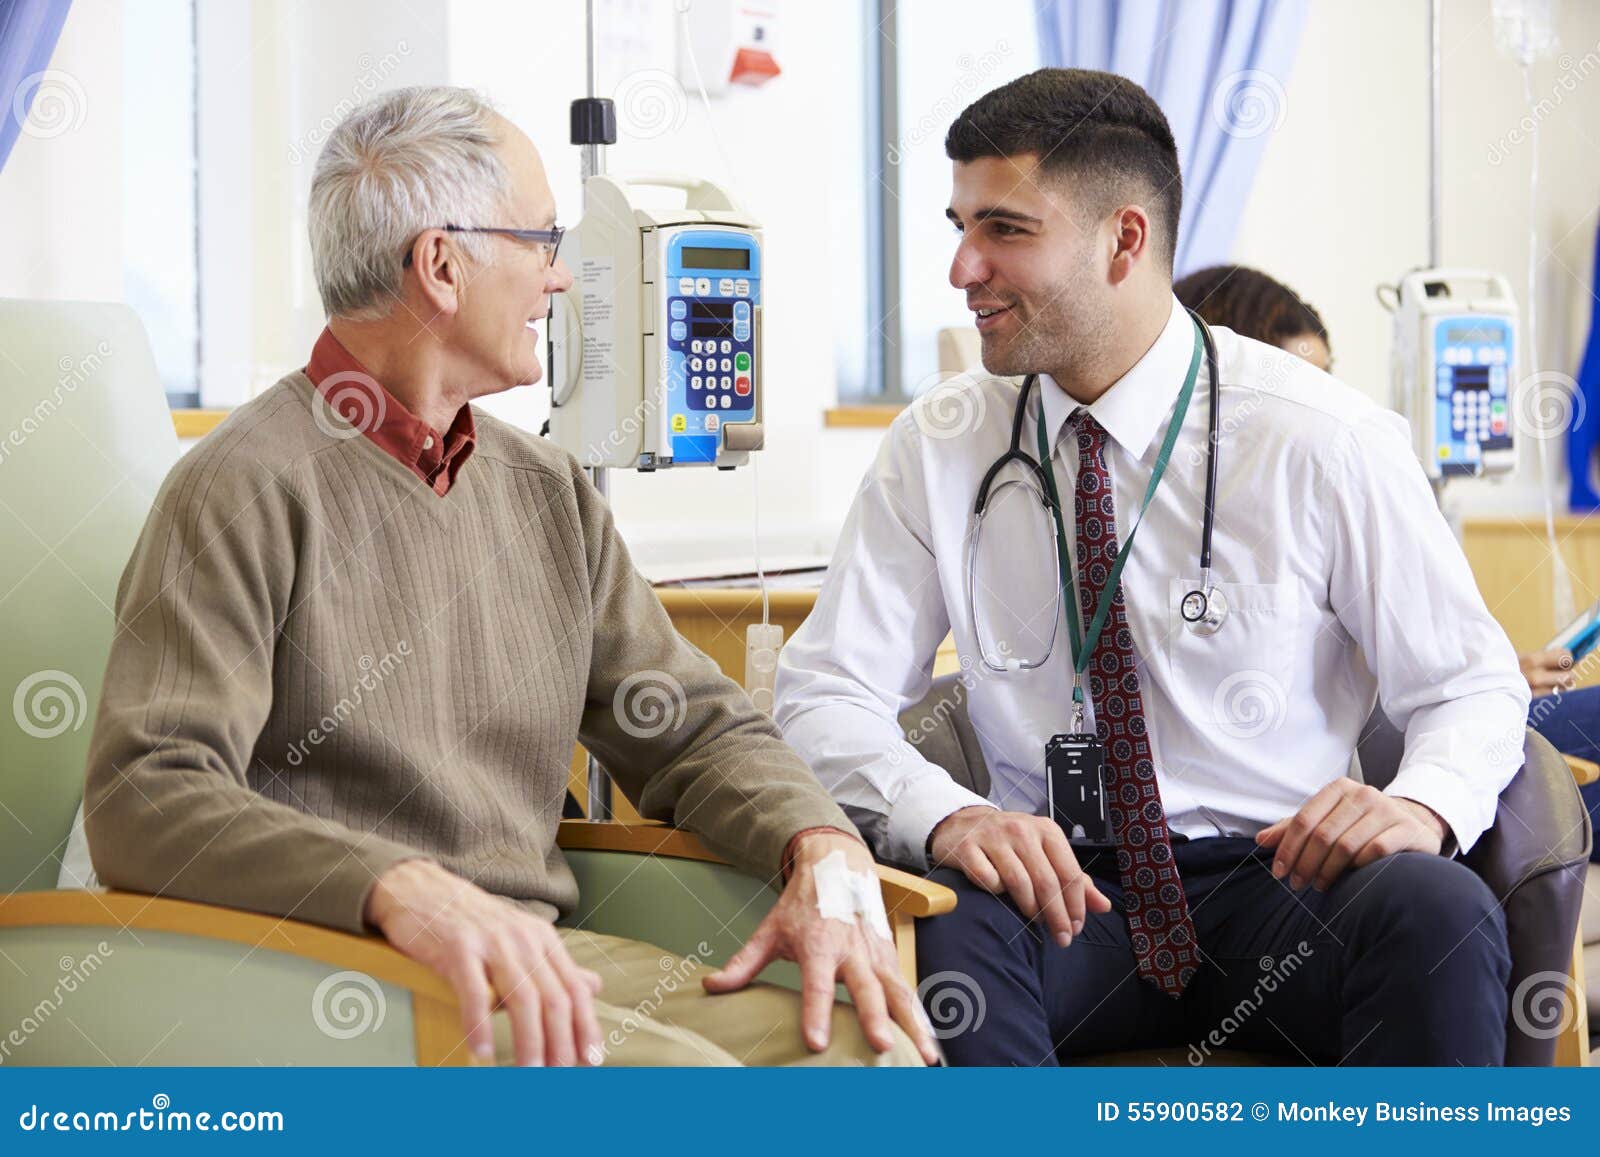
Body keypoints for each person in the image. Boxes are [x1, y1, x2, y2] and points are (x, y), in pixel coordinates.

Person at [82, 86, 936, 1069]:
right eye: (541, 239)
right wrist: (397, 881)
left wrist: (817, 842)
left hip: (534, 953)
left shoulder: (547, 490)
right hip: (330, 969)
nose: (562, 277)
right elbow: (145, 798)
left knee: (870, 1057)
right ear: (441, 264)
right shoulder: (239, 490)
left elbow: (693, 724)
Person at [774, 68, 1529, 1066]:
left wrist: (1420, 802)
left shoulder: (1320, 438)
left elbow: (1471, 683)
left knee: (1438, 909)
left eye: (1003, 229)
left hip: (1280, 880)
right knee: (946, 923)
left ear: (1123, 239)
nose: (961, 267)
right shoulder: (941, 443)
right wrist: (949, 815)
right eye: (956, 225)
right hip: (1060, 890)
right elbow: (824, 691)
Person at [1177, 262, 1600, 862]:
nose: (1312, 402)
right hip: (1367, 773)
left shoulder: (1342, 471)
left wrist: (1490, 681)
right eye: (1293, 380)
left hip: (1425, 746)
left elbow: (1443, 679)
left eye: (1324, 379)